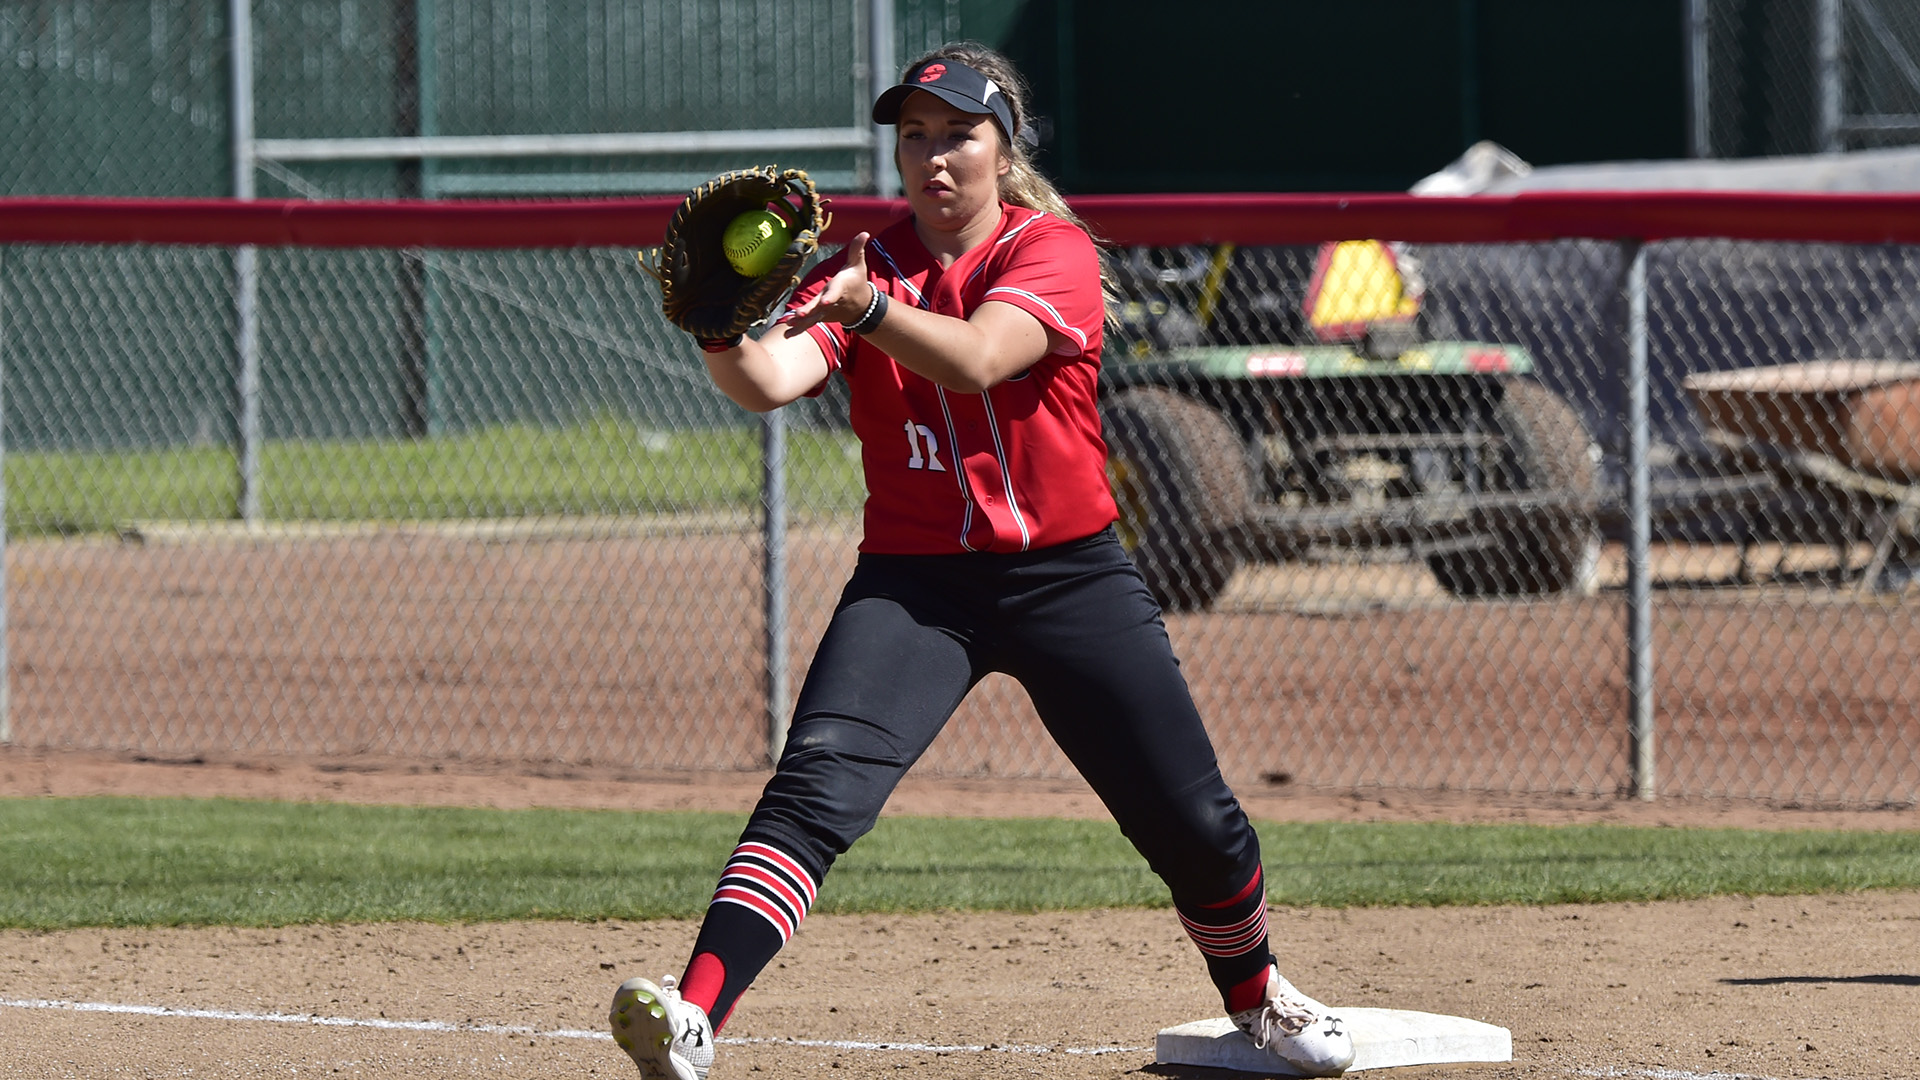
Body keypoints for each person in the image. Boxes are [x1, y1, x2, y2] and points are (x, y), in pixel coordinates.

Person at [608, 42, 1355, 1080]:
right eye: (913, 135)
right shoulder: (864, 263)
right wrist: (717, 330)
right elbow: (773, 380)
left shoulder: (1050, 252)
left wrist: (869, 308)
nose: (932, 155)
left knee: (1193, 821)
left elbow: (979, 358)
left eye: (958, 131)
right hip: (917, 585)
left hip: (1069, 576)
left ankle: (1258, 996)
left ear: (1006, 148)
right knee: (814, 792)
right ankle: (692, 1018)